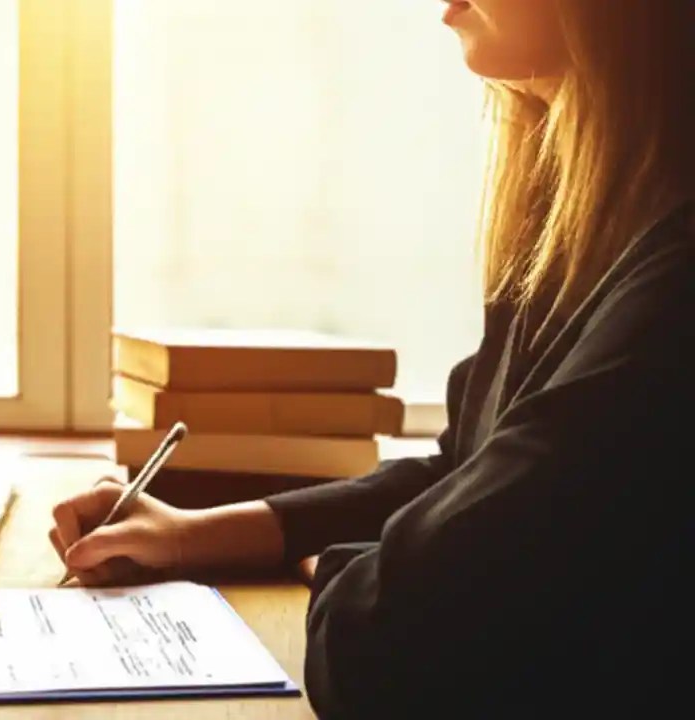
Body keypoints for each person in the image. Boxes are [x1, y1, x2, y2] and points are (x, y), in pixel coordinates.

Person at [49, 2, 695, 717]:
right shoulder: (581, 223)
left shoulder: (672, 292)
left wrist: (338, 564)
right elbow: (466, 470)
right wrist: (196, 534)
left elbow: (381, 644)